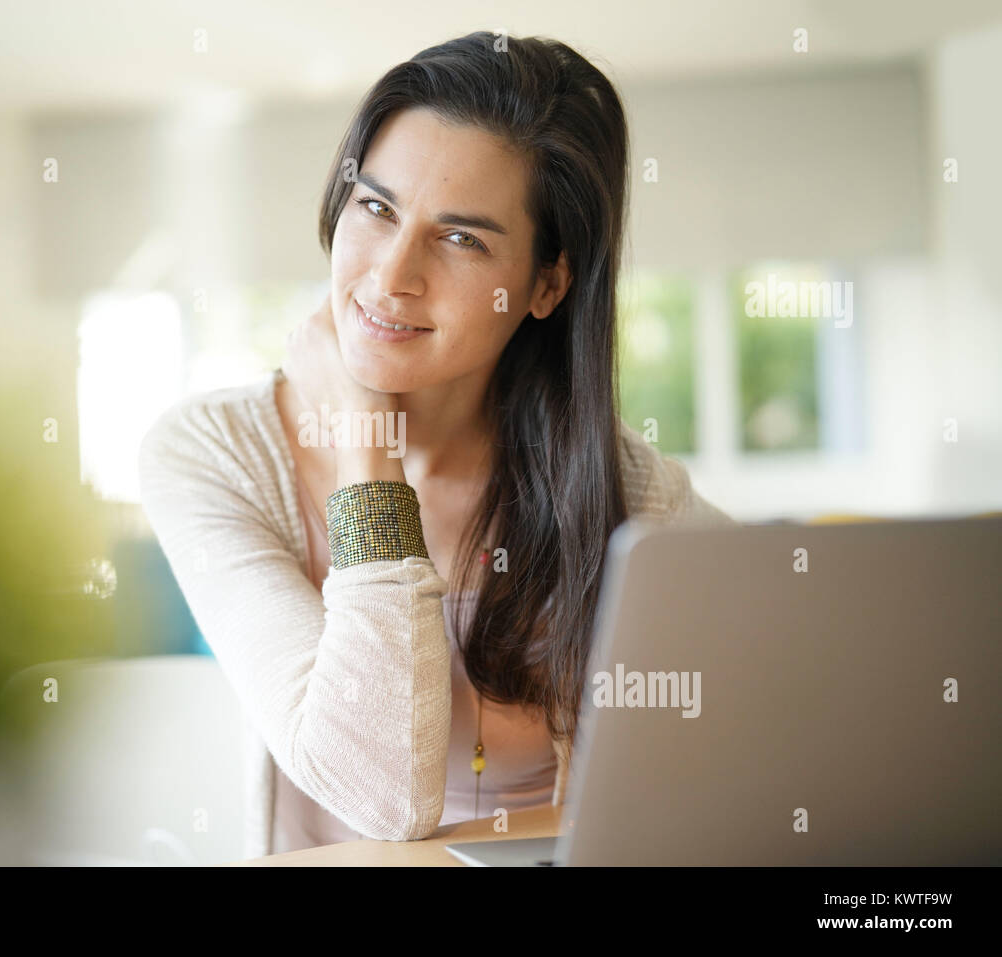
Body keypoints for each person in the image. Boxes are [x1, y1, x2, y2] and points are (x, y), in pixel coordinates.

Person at [138, 30, 735, 859]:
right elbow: (384, 795)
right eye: (376, 208)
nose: (390, 276)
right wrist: (365, 448)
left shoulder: (625, 486)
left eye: (461, 239)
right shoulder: (213, 455)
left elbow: (801, 667)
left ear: (547, 283)